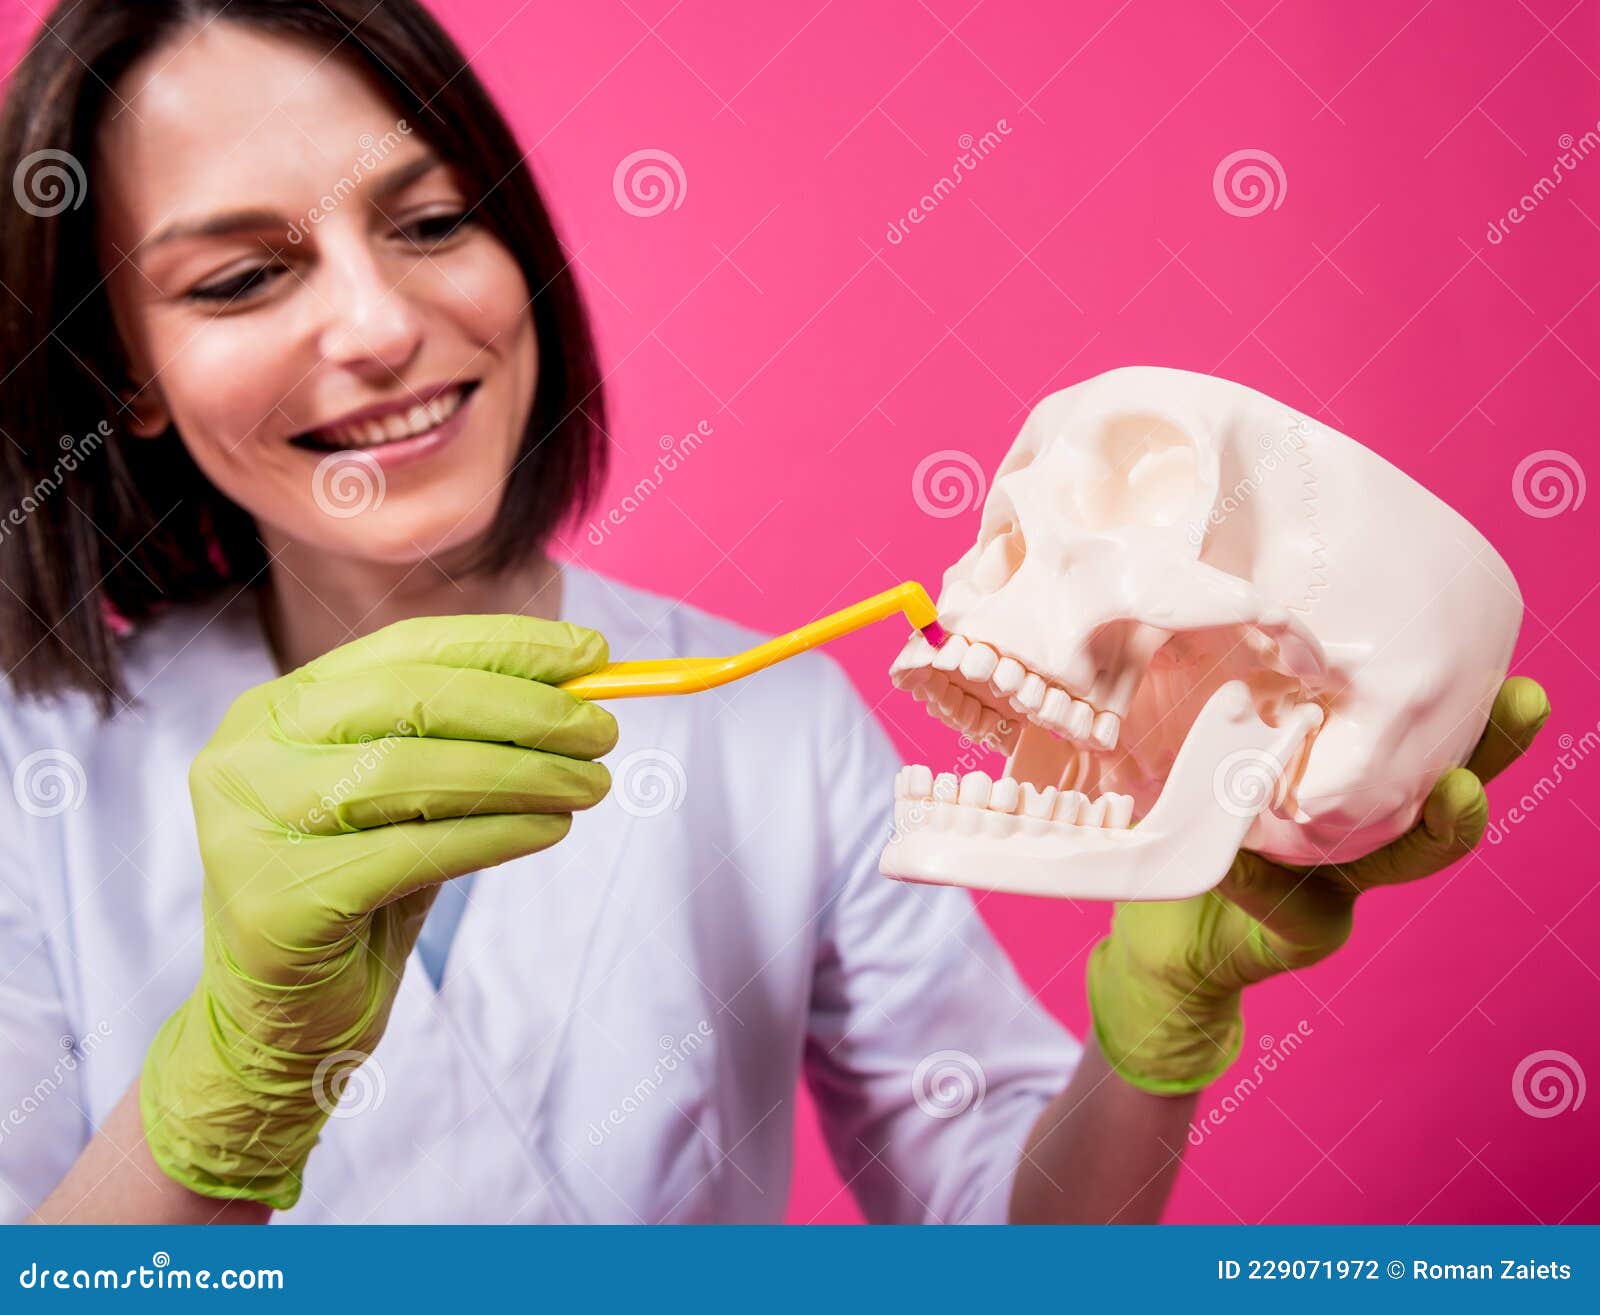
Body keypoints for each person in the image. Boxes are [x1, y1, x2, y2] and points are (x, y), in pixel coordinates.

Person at [0, 0, 1547, 1225]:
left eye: (427, 224)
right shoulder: (34, 774)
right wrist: (221, 1096)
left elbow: (1015, 1263)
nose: (381, 326)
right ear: (123, 372)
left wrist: (1149, 1051)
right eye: (242, 278)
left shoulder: (779, 726)